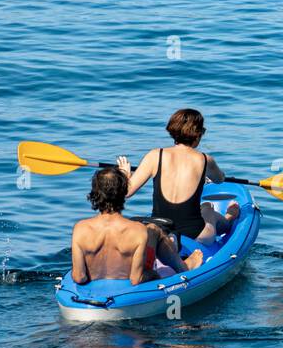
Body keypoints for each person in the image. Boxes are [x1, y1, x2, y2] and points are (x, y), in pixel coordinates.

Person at [117, 108, 240, 244]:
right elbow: (220, 179)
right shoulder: (205, 160)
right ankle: (229, 218)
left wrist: (124, 173)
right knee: (207, 208)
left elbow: (126, 192)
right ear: (197, 134)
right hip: (196, 234)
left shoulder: (154, 155)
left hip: (161, 231)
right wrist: (206, 175)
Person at [71, 166, 203, 285]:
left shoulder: (80, 229)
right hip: (128, 289)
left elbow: (79, 277)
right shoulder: (138, 231)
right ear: (124, 193)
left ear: (95, 193)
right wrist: (156, 274)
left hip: (90, 297)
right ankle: (184, 267)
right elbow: (136, 279)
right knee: (153, 229)